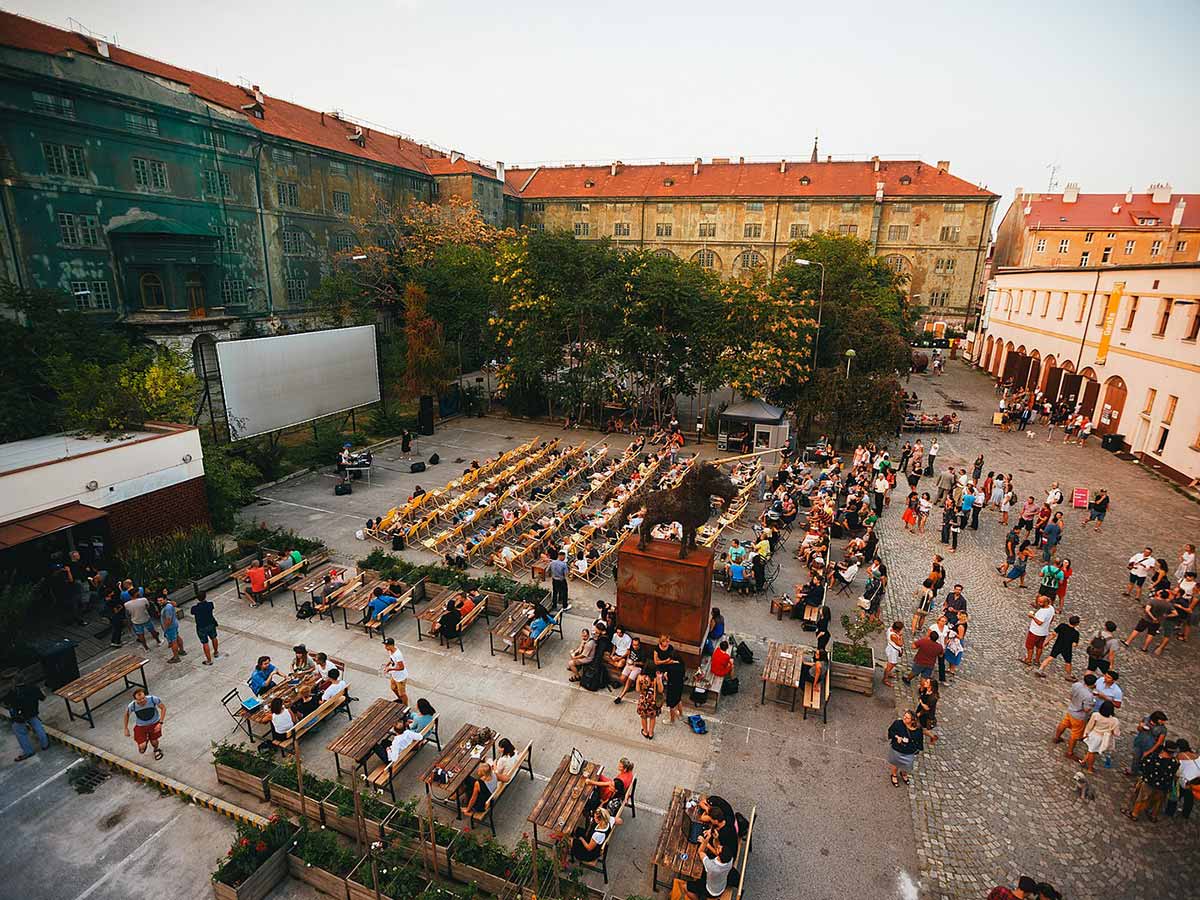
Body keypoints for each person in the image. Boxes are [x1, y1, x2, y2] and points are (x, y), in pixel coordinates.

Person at [1128, 740, 1179, 822]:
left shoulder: (1154, 758)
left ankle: (1134, 814)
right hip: (1163, 786)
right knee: (1158, 802)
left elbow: (1143, 767)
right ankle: (1153, 816)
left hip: (1150, 783)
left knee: (1142, 798)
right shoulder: (1174, 762)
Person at [1054, 673, 1098, 760]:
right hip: (1079, 716)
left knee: (1063, 724)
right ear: (1093, 684)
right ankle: (1069, 752)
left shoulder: (1076, 685)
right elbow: (1086, 709)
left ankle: (1057, 737)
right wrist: (1093, 704)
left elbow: (1070, 695)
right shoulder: (1089, 696)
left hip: (1071, 710)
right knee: (1075, 734)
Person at [685, 825, 736, 900]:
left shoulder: (712, 867)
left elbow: (700, 852)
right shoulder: (729, 860)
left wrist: (706, 840)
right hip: (720, 885)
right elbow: (717, 852)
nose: (719, 846)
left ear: (719, 855)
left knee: (685, 886)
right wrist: (716, 839)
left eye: (719, 848)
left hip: (711, 891)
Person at [4, 680, 50, 762]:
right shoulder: (33, 688)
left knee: (19, 732)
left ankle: (29, 751)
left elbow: (6, 703)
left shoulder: (13, 692)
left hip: (20, 716)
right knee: (38, 727)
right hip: (33, 712)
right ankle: (45, 745)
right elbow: (43, 698)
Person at [123, 687, 166, 760]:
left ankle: (156, 749)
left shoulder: (153, 699)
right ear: (135, 699)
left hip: (154, 723)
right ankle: (145, 740)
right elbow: (126, 714)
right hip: (141, 726)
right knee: (142, 748)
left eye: (143, 698)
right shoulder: (132, 705)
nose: (142, 700)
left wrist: (160, 723)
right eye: (139, 699)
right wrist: (126, 728)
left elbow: (163, 708)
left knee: (154, 742)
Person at [1080, 699, 1120, 773]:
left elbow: (1089, 726)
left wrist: (1085, 734)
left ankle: (1084, 762)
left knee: (1091, 750)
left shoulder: (1096, 715)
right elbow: (1116, 733)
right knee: (1092, 752)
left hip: (1094, 736)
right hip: (1104, 738)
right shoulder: (1114, 720)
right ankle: (1089, 768)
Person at [887, 710, 924, 786]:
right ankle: (894, 775)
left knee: (907, 765)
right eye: (904, 716)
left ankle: (903, 774)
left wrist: (917, 749)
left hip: (909, 751)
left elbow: (920, 740)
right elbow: (891, 731)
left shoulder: (918, 729)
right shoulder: (898, 723)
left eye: (907, 718)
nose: (904, 718)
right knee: (895, 763)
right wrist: (896, 737)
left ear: (912, 721)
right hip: (897, 749)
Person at [1128, 711, 1169, 778]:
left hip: (1150, 746)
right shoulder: (1146, 720)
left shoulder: (1163, 729)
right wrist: (1141, 726)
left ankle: (1142, 775)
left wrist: (1149, 751)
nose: (1163, 722)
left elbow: (1159, 742)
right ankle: (1134, 771)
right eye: (1162, 720)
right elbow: (1139, 729)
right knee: (1136, 757)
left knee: (1145, 761)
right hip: (1140, 741)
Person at [1038, 615, 1079, 679]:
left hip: (1058, 645)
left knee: (1050, 657)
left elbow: (1053, 634)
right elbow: (1074, 644)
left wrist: (1046, 641)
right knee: (1068, 662)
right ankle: (1068, 675)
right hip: (1067, 648)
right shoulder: (1076, 633)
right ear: (1077, 624)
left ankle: (1040, 669)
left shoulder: (1062, 626)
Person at [461, 761, 498, 829]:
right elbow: (506, 779)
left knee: (469, 789)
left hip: (481, 805)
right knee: (468, 779)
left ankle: (469, 809)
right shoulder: (494, 774)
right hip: (488, 797)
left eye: (479, 771)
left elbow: (473, 799)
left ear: (483, 773)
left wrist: (468, 809)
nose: (477, 771)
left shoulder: (478, 783)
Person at [1022, 596, 1055, 666]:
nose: (1038, 603)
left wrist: (1033, 617)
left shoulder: (1043, 612)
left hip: (1035, 632)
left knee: (1029, 646)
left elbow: (1040, 623)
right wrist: (1048, 624)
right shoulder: (1051, 608)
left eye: (1040, 602)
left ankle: (1029, 660)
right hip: (1044, 632)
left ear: (1046, 602)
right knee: (1039, 647)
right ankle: (1037, 660)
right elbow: (1052, 617)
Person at [613, 636, 646, 704]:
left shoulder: (642, 651)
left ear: (639, 644)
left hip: (637, 667)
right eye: (634, 644)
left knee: (628, 680)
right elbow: (628, 653)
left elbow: (643, 663)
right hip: (629, 664)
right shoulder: (631, 647)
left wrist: (634, 663)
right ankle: (629, 686)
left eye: (636, 645)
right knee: (622, 678)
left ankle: (620, 697)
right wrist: (627, 661)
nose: (635, 646)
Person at [191, 590, 220, 665]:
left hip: (201, 626)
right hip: (211, 623)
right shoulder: (210, 604)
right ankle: (216, 652)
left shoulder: (195, 608)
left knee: (205, 643)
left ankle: (209, 660)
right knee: (214, 637)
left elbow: (192, 612)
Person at [382, 637, 409, 705]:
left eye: (387, 645)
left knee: (402, 694)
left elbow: (402, 667)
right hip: (395, 675)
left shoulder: (398, 655)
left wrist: (391, 669)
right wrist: (387, 664)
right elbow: (392, 659)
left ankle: (405, 706)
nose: (385, 647)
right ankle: (400, 699)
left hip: (401, 677)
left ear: (391, 645)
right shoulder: (391, 651)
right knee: (393, 688)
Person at [636, 671, 660, 739]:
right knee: (652, 717)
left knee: (643, 717)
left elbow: (637, 690)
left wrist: (638, 681)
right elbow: (658, 691)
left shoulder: (640, 677)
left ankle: (645, 732)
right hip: (652, 701)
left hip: (643, 700)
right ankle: (651, 733)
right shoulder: (655, 679)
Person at [916, 676, 939, 744]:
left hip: (925, 714)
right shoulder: (926, 690)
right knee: (920, 727)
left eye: (927, 682)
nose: (925, 682)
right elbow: (921, 693)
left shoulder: (933, 697)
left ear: (931, 685)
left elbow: (927, 708)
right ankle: (933, 737)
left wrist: (921, 702)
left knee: (920, 728)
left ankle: (932, 737)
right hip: (921, 710)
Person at [882, 622, 904, 687]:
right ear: (897, 629)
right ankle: (885, 679)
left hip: (892, 649)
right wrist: (900, 636)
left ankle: (888, 674)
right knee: (890, 665)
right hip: (893, 651)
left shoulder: (890, 629)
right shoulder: (893, 635)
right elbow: (900, 643)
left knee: (892, 664)